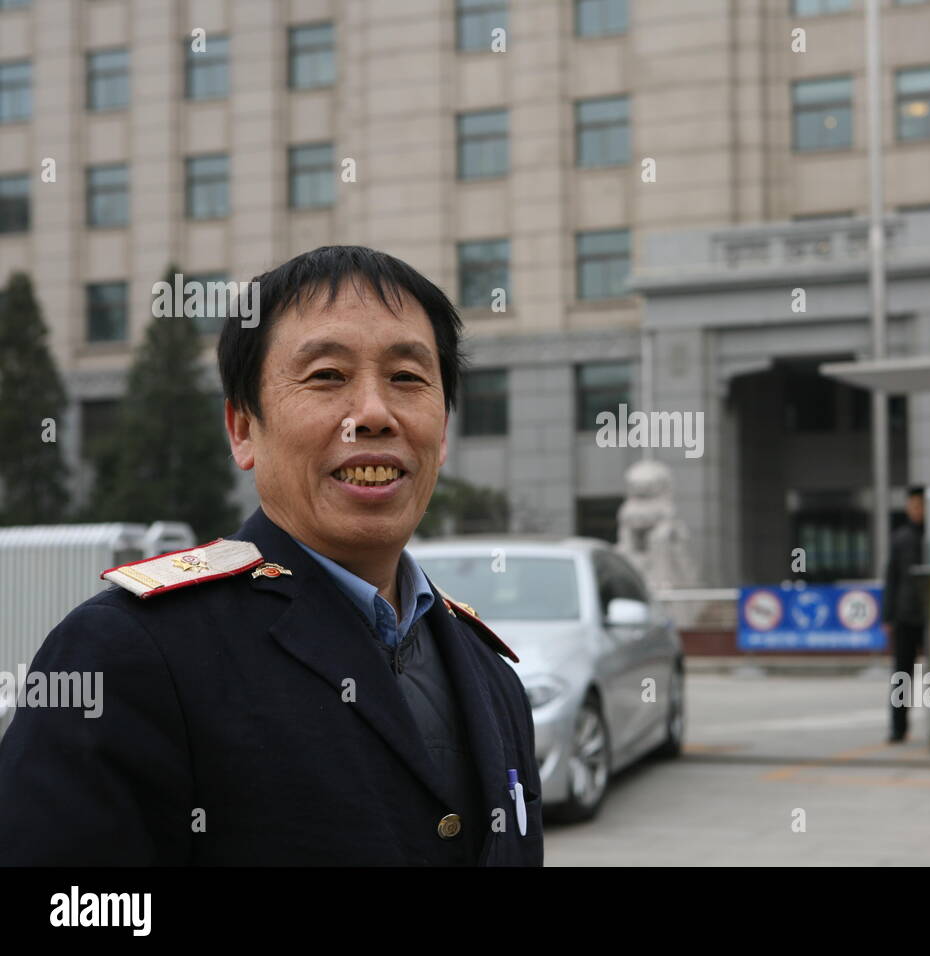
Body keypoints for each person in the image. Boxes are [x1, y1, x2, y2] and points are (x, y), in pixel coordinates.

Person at [0, 246, 542, 865]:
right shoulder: (127, 653)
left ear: (442, 432)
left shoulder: (490, 671)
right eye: (327, 376)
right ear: (243, 430)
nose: (372, 414)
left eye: (407, 379)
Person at [881, 485, 927, 743]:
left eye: (921, 505)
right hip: (905, 614)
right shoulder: (900, 538)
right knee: (901, 674)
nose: (917, 510)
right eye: (913, 506)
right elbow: (891, 578)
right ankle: (898, 728)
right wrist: (888, 617)